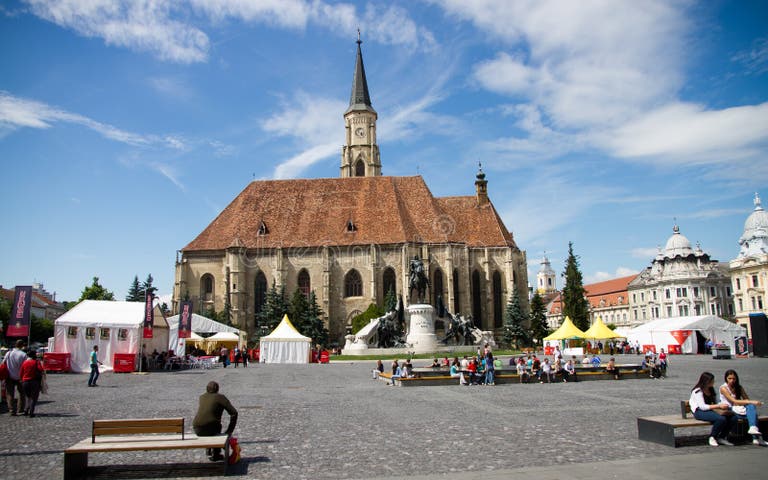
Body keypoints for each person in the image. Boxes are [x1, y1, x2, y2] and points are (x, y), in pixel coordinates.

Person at [718, 369, 767, 446]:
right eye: (729, 378)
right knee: (752, 414)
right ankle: (756, 438)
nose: (732, 380)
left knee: (751, 408)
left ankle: (754, 431)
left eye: (733, 378)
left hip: (738, 408)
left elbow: (746, 398)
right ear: (726, 378)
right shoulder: (723, 388)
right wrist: (751, 402)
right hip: (729, 409)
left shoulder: (739, 387)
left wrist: (749, 403)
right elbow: (734, 400)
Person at [193, 381, 238, 462]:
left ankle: (209, 449)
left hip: (197, 428)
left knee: (211, 423)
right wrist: (229, 431)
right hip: (212, 428)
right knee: (216, 425)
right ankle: (216, 454)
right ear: (217, 389)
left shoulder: (202, 397)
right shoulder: (220, 397)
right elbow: (234, 413)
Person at [689, 372, 734, 447]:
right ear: (706, 381)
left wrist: (721, 406)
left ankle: (722, 436)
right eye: (712, 381)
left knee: (733, 417)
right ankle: (712, 436)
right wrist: (718, 406)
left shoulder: (711, 390)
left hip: (711, 409)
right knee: (721, 419)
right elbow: (702, 406)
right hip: (699, 411)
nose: (713, 382)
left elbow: (715, 402)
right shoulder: (697, 391)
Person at [2, 339, 28, 415]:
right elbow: (25, 366)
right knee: (22, 393)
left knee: (10, 393)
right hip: (20, 376)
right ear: (22, 346)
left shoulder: (8, 353)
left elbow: (3, 363)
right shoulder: (23, 355)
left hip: (9, 376)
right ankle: (20, 408)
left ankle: (11, 410)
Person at [20, 349, 44, 417]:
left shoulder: (25, 362)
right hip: (34, 381)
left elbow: (21, 373)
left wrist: (22, 380)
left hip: (25, 382)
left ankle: (26, 410)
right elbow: (41, 369)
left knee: (28, 397)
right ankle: (31, 412)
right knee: (34, 397)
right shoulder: (36, 362)